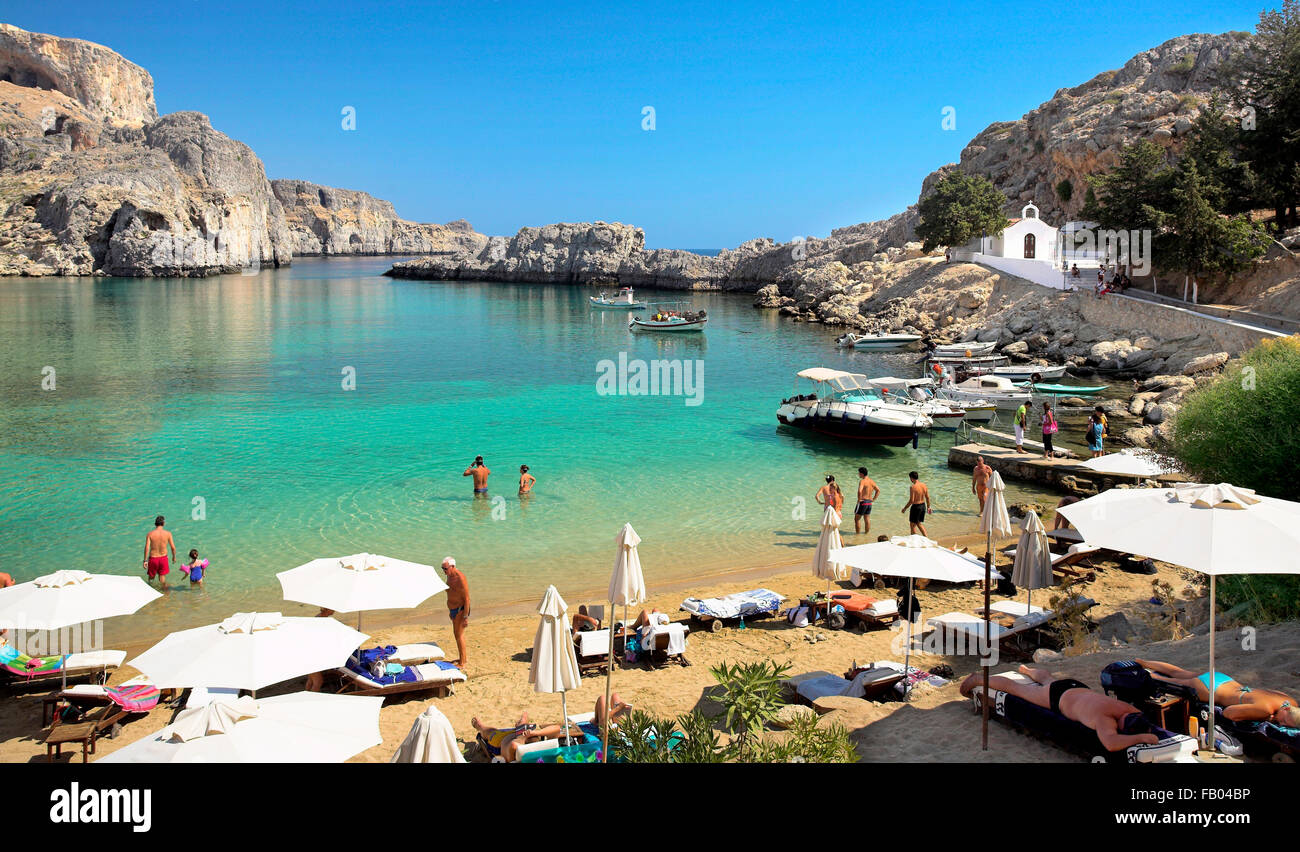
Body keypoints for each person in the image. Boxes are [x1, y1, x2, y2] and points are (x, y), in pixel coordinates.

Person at [958, 666, 1160, 752]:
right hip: (1058, 697)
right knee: (1016, 689)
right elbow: (1111, 744)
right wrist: (1141, 738)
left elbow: (1143, 721)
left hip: (1075, 686)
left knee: (1047, 679)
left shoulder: (1127, 709)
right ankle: (978, 679)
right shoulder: (1105, 719)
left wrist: (1145, 732)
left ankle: (1027, 670)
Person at [1134, 660, 1300, 727]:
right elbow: (1229, 713)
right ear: (1285, 711)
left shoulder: (1290, 701)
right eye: (1284, 722)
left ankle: (1142, 662)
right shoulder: (1265, 710)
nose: (1281, 724)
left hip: (1224, 679)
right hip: (1209, 690)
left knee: (1179, 672)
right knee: (1169, 682)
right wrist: (1264, 717)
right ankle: (1142, 673)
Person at [472, 694, 634, 762]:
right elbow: (558, 729)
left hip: (501, 741)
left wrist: (529, 734)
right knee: (608, 698)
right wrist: (534, 733)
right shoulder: (530, 745)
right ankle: (521, 722)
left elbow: (557, 730)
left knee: (490, 732)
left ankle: (481, 726)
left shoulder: (515, 748)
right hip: (524, 735)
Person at [441, 557, 471, 670]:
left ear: (452, 567)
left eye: (445, 568)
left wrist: (465, 617)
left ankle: (463, 662)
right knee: (456, 634)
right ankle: (462, 658)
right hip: (453, 609)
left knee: (459, 635)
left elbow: (467, 599)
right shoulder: (449, 576)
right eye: (442, 568)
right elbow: (451, 591)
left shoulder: (460, 578)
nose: (444, 571)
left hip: (461, 610)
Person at [143, 515, 176, 590]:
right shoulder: (168, 533)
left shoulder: (150, 534)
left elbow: (147, 548)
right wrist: (174, 557)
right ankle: (164, 594)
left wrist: (145, 560)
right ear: (163, 523)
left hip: (153, 559)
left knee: (151, 578)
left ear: (155, 524)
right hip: (163, 558)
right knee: (162, 578)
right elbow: (173, 548)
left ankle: (149, 590)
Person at [901, 471, 931, 536]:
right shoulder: (924, 485)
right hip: (923, 506)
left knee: (916, 524)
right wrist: (928, 507)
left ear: (911, 478)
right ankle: (919, 538)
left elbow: (911, 500)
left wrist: (905, 508)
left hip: (916, 507)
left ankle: (923, 537)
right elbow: (927, 497)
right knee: (914, 524)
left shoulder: (913, 487)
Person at [854, 467, 880, 535]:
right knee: (867, 518)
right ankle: (866, 534)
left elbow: (859, 491)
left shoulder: (862, 481)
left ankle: (857, 535)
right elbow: (878, 490)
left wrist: (859, 499)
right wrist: (873, 499)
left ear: (862, 474)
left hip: (863, 502)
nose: (858, 474)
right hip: (869, 502)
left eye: (859, 473)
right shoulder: (871, 481)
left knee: (856, 519)